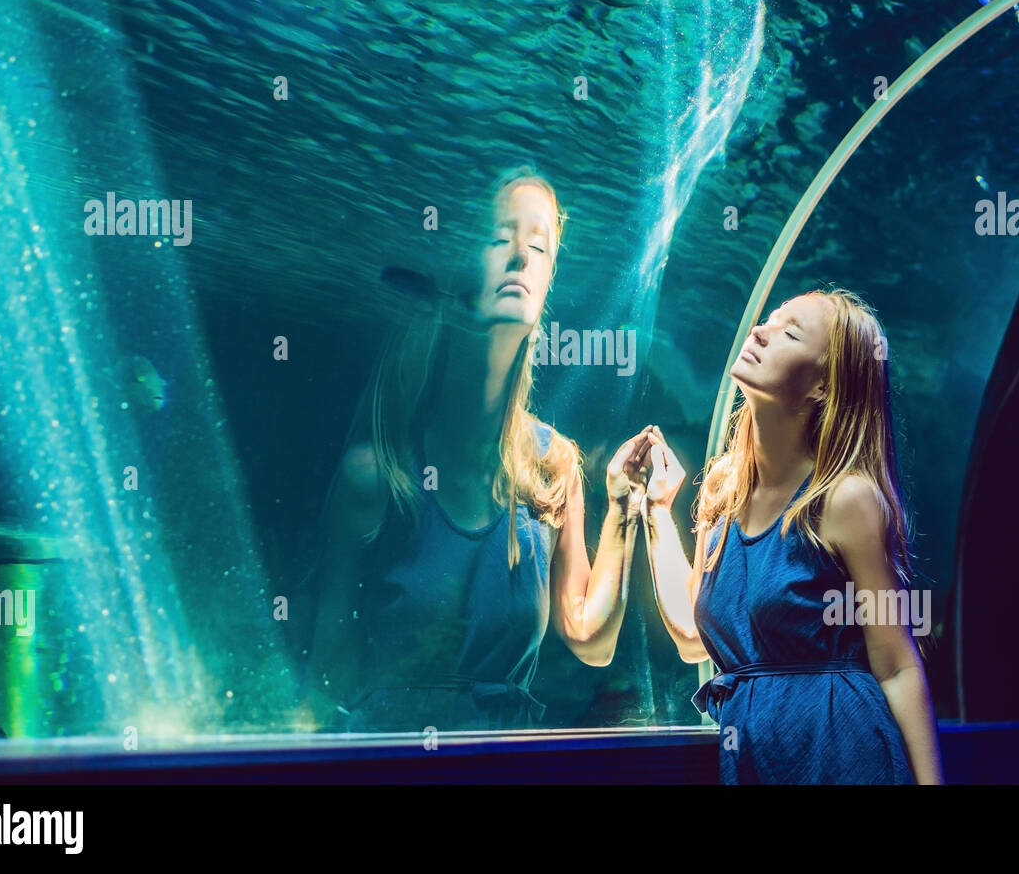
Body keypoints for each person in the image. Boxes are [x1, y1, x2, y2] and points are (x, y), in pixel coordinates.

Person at [299, 167, 655, 732]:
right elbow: (326, 674)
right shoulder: (380, 476)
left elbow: (591, 640)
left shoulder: (553, 467)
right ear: (459, 265)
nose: (520, 255)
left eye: (539, 245)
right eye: (500, 237)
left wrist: (621, 510)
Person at [637, 288, 945, 783]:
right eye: (770, 320)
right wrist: (656, 511)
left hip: (845, 756)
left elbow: (896, 664)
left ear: (821, 386)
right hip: (758, 763)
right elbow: (695, 637)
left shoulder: (846, 500)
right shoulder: (722, 492)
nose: (760, 331)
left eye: (790, 332)